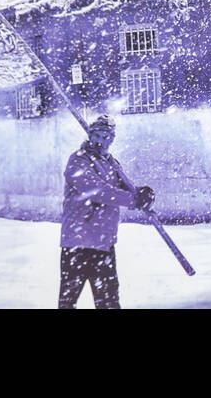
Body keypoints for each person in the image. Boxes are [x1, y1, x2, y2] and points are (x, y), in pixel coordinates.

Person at [58, 115, 153, 309]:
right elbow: (97, 191)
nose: (101, 140)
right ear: (90, 135)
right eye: (97, 135)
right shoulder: (78, 160)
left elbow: (124, 190)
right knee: (68, 302)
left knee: (109, 302)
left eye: (106, 136)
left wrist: (142, 195)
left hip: (103, 243)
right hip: (78, 243)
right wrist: (133, 200)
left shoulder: (111, 163)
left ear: (111, 139)